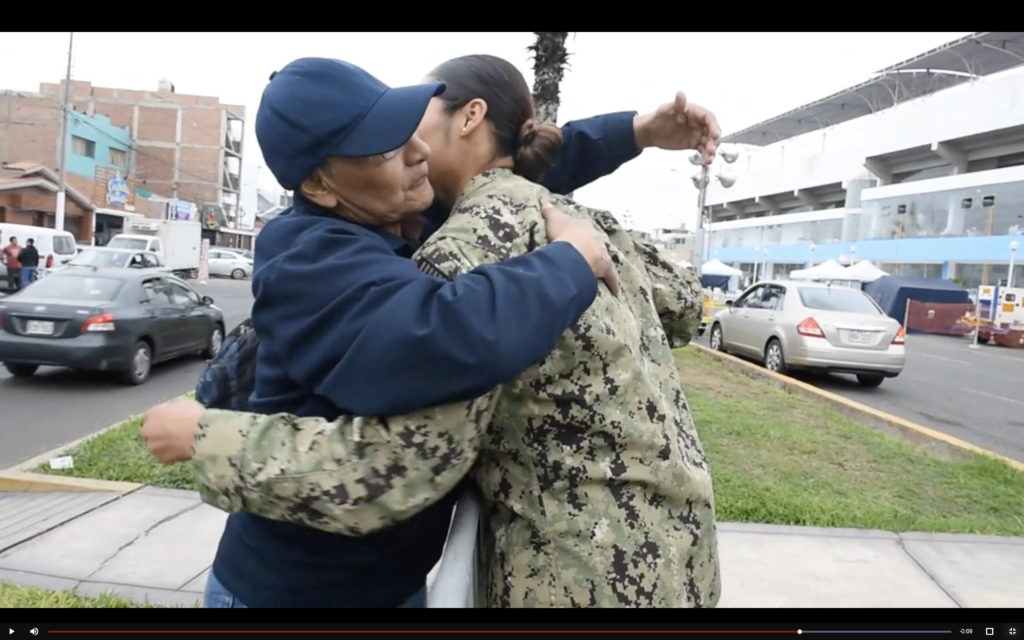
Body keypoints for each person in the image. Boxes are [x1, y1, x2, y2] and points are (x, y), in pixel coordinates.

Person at [143, 56, 720, 608]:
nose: (416, 151)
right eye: (390, 144)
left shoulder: (397, 210)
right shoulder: (313, 262)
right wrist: (568, 260)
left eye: (411, 128)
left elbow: (511, 172)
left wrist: (636, 131)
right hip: (296, 588)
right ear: (320, 185)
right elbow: (443, 339)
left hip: (391, 584)